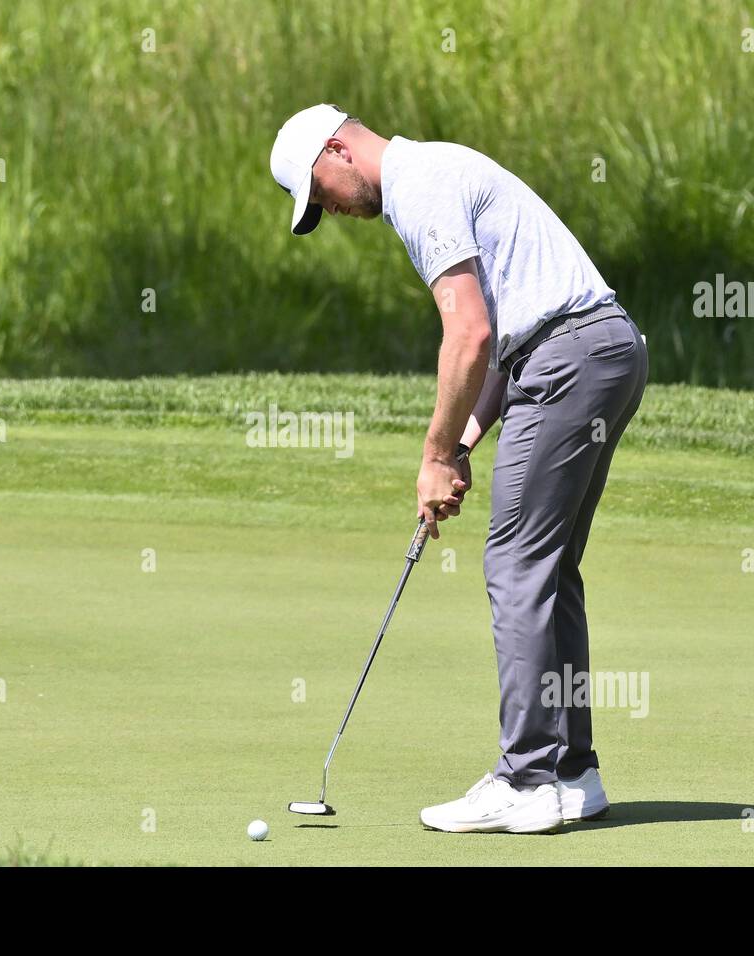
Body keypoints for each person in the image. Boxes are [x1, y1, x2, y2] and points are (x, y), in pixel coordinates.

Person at [270, 104, 649, 834]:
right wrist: (468, 441)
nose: (331, 210)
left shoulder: (420, 188)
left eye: (319, 193)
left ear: (337, 150)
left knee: (515, 564)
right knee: (549, 566)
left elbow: (470, 334)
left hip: (569, 358)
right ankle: (572, 773)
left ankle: (527, 777)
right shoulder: (439, 169)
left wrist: (435, 454)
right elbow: (512, 331)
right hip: (603, 348)